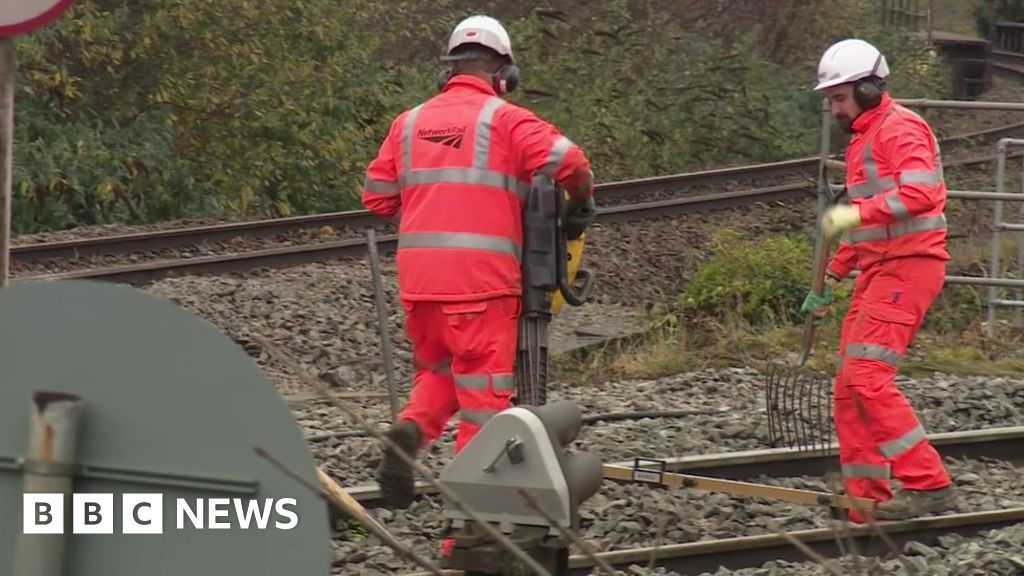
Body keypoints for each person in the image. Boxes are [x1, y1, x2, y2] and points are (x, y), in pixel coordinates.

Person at [360, 14, 596, 522]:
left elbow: (377, 199)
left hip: (421, 285)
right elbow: (571, 162)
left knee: (441, 371)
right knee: (483, 409)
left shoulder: (408, 122)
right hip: (482, 286)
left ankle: (411, 432)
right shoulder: (505, 120)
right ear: (502, 74)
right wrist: (579, 201)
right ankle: (473, 528)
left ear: (447, 70)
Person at [802, 38, 955, 522]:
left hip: (909, 266)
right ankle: (866, 501)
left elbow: (921, 193)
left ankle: (929, 484)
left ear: (869, 89)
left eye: (839, 98)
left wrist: (851, 216)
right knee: (849, 385)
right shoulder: (863, 140)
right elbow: (868, 222)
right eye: (830, 100)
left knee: (868, 376)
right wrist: (831, 275)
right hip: (881, 267)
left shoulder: (900, 128)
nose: (834, 109)